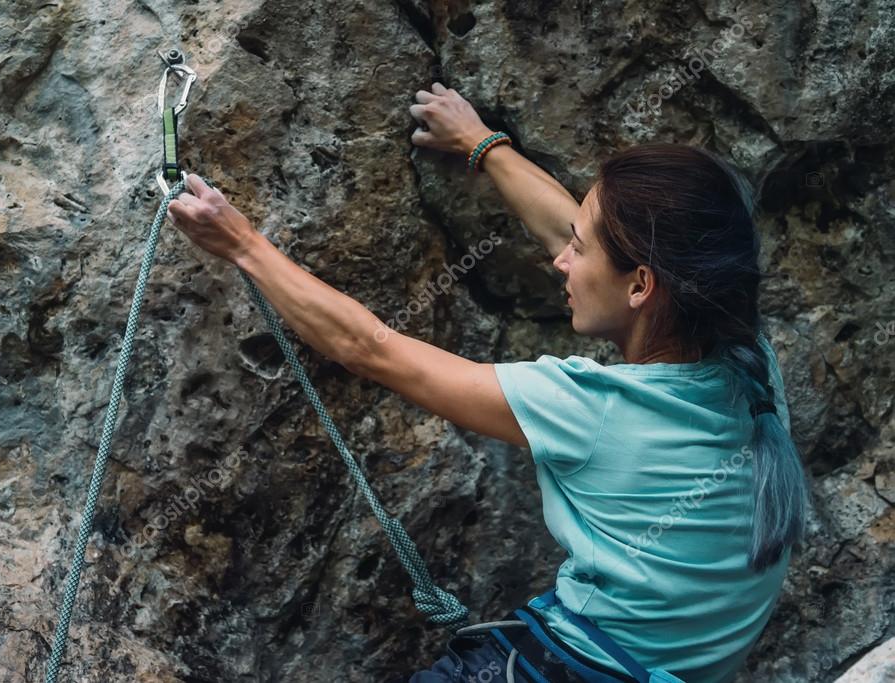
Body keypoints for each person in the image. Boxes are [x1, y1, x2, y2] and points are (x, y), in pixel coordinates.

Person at [166, 82, 810, 683]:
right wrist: (482, 144)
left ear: (642, 285)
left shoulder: (593, 410)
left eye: (580, 252)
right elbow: (573, 229)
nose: (562, 259)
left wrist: (242, 243)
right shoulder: (752, 365)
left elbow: (371, 350)